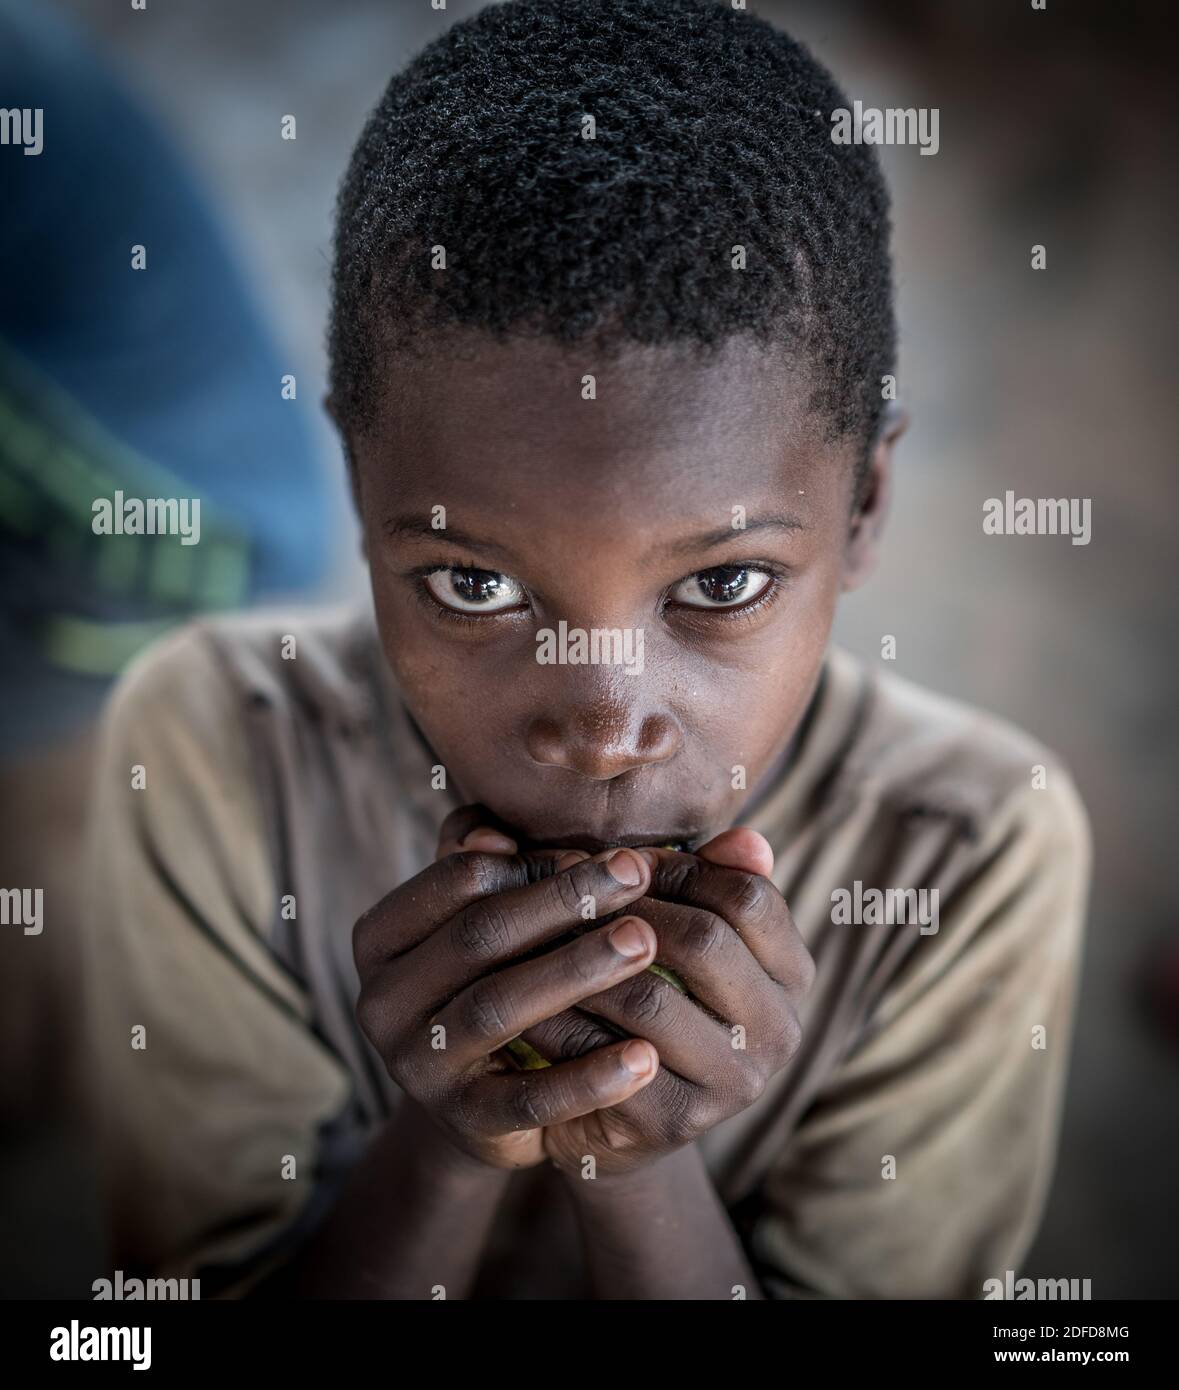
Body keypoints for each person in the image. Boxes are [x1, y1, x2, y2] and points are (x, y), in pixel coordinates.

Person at [84, 0, 1091, 1300]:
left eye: (723, 580)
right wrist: (451, 1145)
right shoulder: (216, 747)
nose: (603, 720)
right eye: (470, 578)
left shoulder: (970, 848)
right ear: (355, 486)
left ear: (866, 508)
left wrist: (631, 1161)